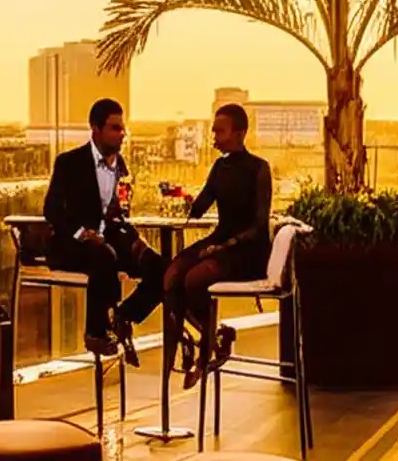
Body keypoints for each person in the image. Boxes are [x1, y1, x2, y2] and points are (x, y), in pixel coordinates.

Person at [43, 98, 164, 365]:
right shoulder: (69, 163)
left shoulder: (121, 167)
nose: (121, 134)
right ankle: (96, 332)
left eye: (122, 128)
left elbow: (117, 215)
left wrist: (135, 242)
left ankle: (123, 316)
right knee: (103, 255)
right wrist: (81, 233)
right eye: (114, 128)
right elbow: (52, 209)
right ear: (95, 129)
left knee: (160, 267)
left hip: (109, 243)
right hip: (72, 245)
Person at [163, 103, 272, 389]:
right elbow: (200, 206)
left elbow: (260, 225)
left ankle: (206, 345)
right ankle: (210, 338)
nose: (214, 136)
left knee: (194, 280)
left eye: (219, 131)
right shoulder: (219, 167)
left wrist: (227, 245)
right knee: (171, 276)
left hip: (247, 249)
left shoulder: (259, 169)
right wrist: (177, 195)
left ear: (239, 133)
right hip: (221, 241)